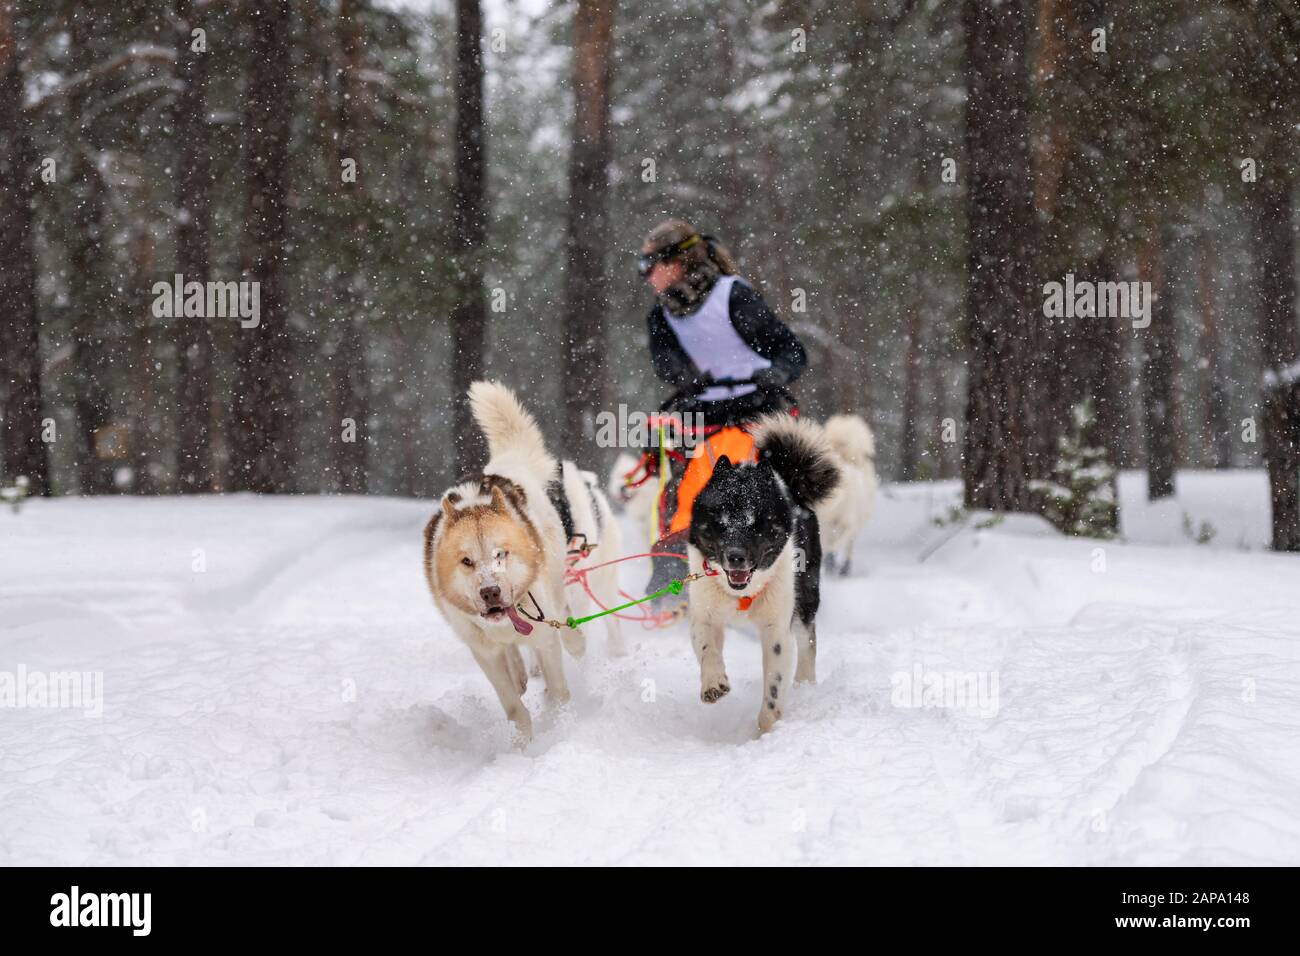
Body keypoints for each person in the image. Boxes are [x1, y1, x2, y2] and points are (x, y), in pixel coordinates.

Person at [634, 218, 808, 607]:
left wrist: (774, 373)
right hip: (703, 413)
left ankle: (785, 583)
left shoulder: (733, 297)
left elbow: (793, 353)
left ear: (676, 262)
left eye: (649, 265)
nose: (645, 276)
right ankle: (671, 586)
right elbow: (666, 365)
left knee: (769, 493)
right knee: (681, 495)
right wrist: (686, 376)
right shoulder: (660, 316)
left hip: (757, 409)